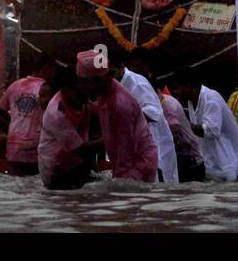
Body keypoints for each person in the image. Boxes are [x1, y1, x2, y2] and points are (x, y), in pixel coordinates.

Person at [79, 50, 158, 182]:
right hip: (126, 154)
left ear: (109, 75)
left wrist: (119, 182)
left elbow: (125, 154)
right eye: (87, 81)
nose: (91, 85)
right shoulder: (104, 90)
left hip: (138, 162)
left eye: (96, 80)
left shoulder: (121, 104)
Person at [113, 50, 178, 183]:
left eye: (111, 73)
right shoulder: (113, 86)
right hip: (135, 150)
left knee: (158, 194)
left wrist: (126, 117)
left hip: (155, 147)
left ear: (120, 67)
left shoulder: (137, 84)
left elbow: (154, 112)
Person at [171, 72, 238, 182]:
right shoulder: (192, 101)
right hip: (213, 162)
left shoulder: (211, 99)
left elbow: (211, 131)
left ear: (188, 87)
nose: (175, 92)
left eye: (177, 88)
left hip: (230, 160)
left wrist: (184, 126)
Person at [38, 66, 98, 189]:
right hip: (57, 174)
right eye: (81, 86)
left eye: (86, 84)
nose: (85, 89)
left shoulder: (79, 99)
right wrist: (109, 139)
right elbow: (80, 149)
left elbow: (98, 111)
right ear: (66, 89)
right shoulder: (57, 113)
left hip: (75, 164)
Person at [0, 61, 52, 177]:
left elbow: (0, 110)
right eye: (51, 70)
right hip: (38, 147)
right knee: (37, 190)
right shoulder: (47, 88)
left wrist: (11, 126)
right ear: (44, 69)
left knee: (16, 190)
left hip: (14, 147)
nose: (53, 73)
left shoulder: (14, 86)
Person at [159, 88, 205, 182]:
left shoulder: (168, 105)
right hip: (186, 159)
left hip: (191, 161)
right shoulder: (161, 101)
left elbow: (175, 138)